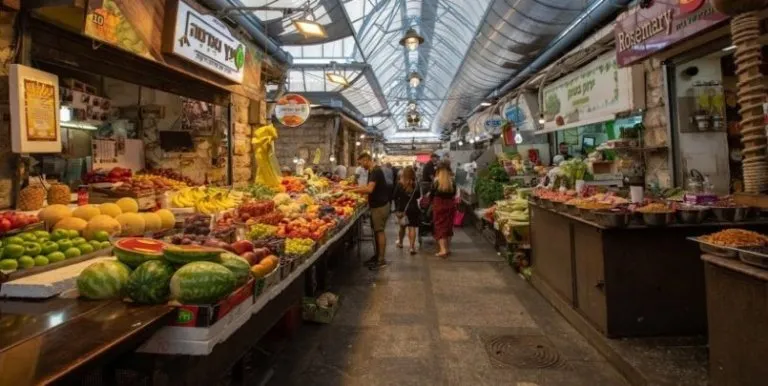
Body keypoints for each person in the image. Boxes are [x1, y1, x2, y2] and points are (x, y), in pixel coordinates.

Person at [349, 152, 391, 269]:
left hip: (380, 207)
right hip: (377, 206)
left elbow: (369, 189)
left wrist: (352, 191)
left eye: (361, 162)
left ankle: (381, 260)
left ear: (366, 160)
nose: (361, 166)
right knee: (376, 231)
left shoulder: (376, 171)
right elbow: (367, 187)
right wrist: (351, 188)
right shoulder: (373, 171)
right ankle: (377, 256)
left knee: (379, 231)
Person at [429, 163, 457, 258]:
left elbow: (431, 195)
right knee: (448, 226)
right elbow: (454, 194)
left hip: (439, 205)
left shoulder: (436, 181)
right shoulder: (452, 181)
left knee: (439, 226)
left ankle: (443, 249)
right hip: (450, 205)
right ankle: (447, 249)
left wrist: (430, 203)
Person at [393, 166, 421, 255]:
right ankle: (412, 247)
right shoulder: (416, 184)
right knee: (412, 227)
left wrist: (396, 208)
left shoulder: (400, 184)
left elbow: (394, 196)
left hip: (402, 209)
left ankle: (400, 243)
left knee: (402, 227)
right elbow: (418, 196)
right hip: (413, 208)